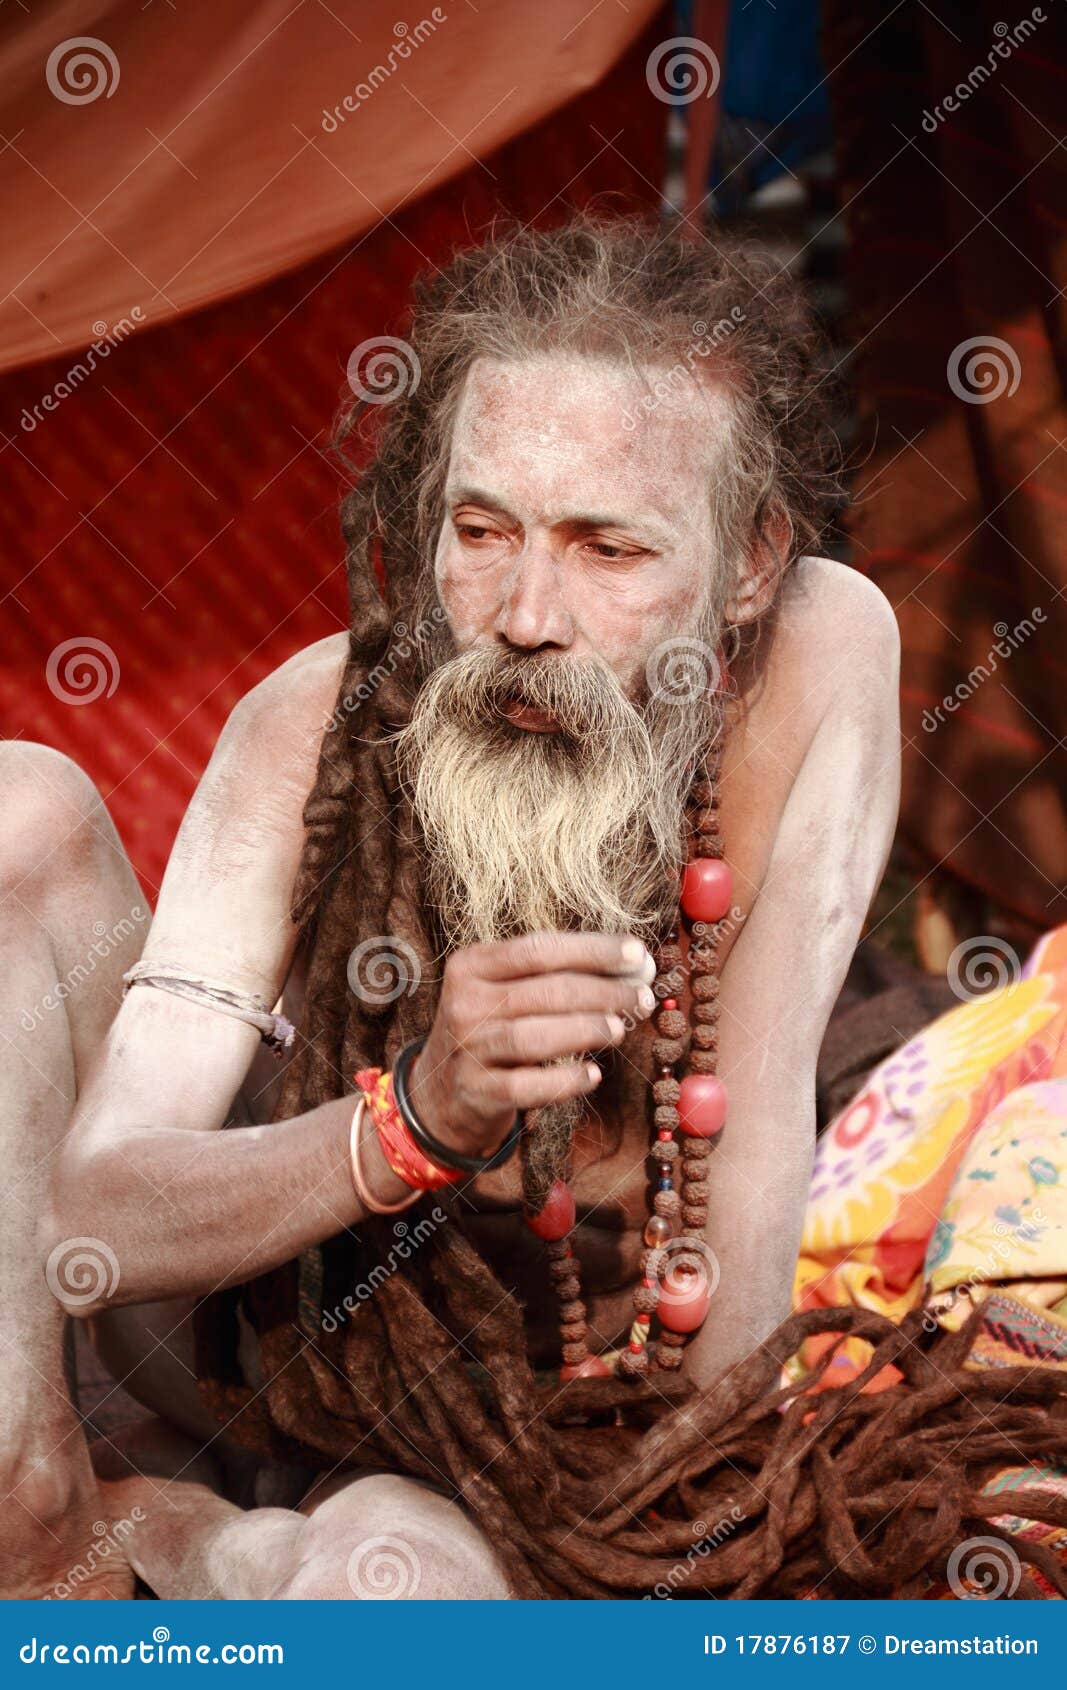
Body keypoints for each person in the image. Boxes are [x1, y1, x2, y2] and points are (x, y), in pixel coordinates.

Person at [7, 218, 899, 1599]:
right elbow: (89, 1226)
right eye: (481, 532)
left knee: (391, 1593)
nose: (527, 614)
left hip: (501, 1445)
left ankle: (211, 1547)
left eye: (609, 550)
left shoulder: (825, 651)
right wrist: (412, 1121)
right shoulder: (310, 727)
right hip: (248, 1333)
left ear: (751, 561)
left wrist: (720, 1533)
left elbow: (758, 1126)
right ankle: (37, 1506)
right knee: (19, 809)